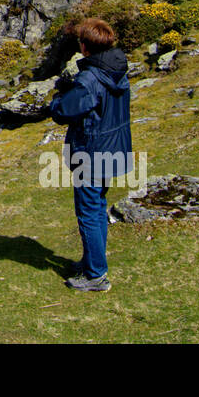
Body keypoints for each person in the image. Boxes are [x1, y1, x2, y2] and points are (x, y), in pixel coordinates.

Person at [48, 17, 132, 292]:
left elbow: (63, 112)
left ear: (85, 47)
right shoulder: (118, 71)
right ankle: (92, 263)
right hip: (113, 149)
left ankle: (96, 275)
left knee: (88, 212)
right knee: (97, 207)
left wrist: (59, 96)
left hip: (91, 152)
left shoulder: (89, 79)